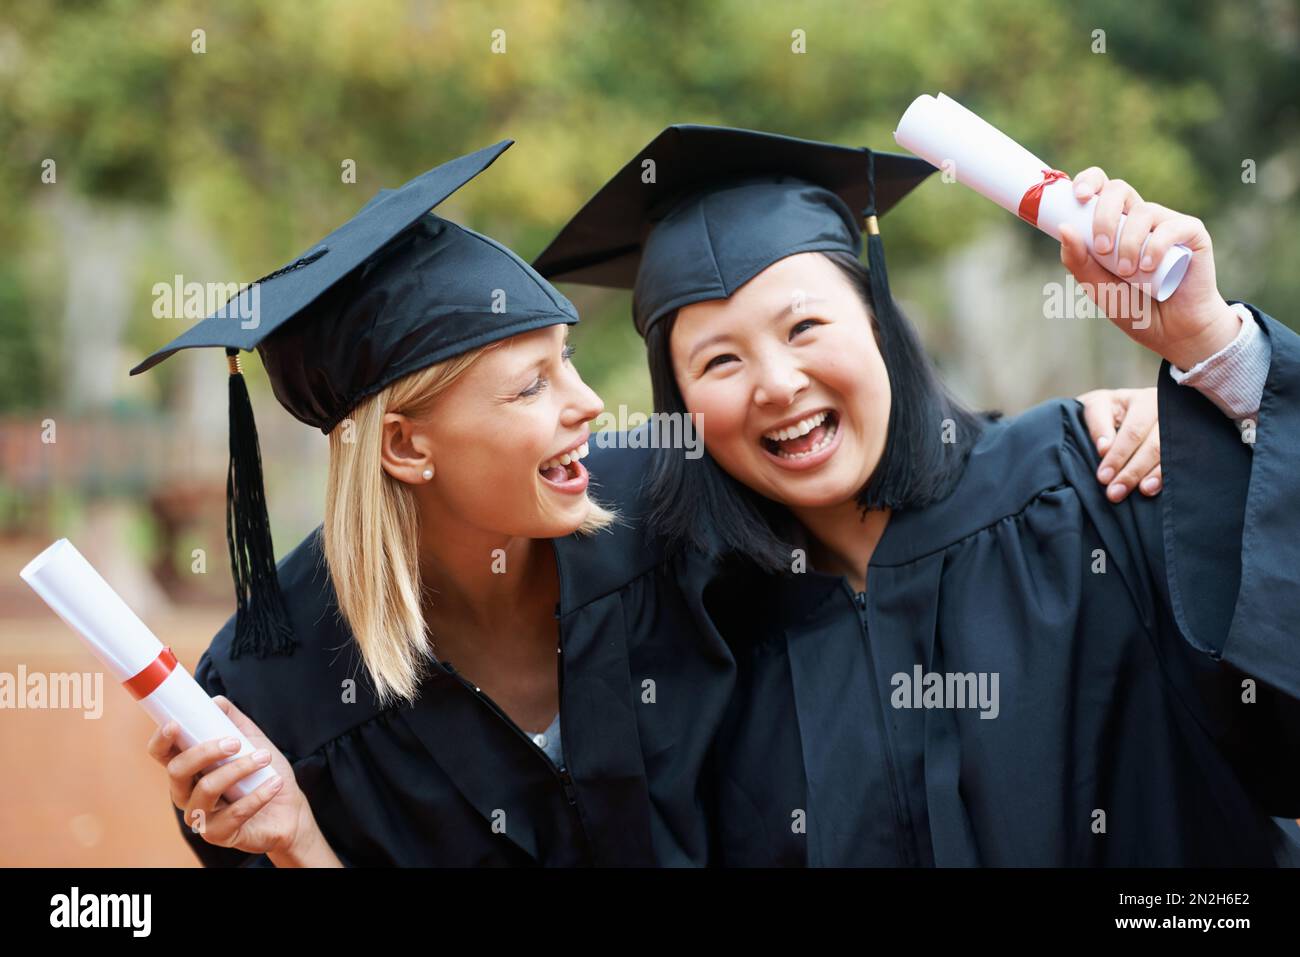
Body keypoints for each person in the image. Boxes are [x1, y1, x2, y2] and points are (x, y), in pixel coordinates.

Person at [534, 125, 1300, 865]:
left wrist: (1217, 367)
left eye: (804, 326)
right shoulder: (700, 634)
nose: (775, 383)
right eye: (719, 361)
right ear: (681, 410)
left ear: (879, 323)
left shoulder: (1091, 479)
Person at [134, 141, 732, 866]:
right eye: (530, 385)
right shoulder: (271, 690)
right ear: (407, 447)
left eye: (565, 358)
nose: (591, 403)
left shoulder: (672, 520)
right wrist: (299, 842)